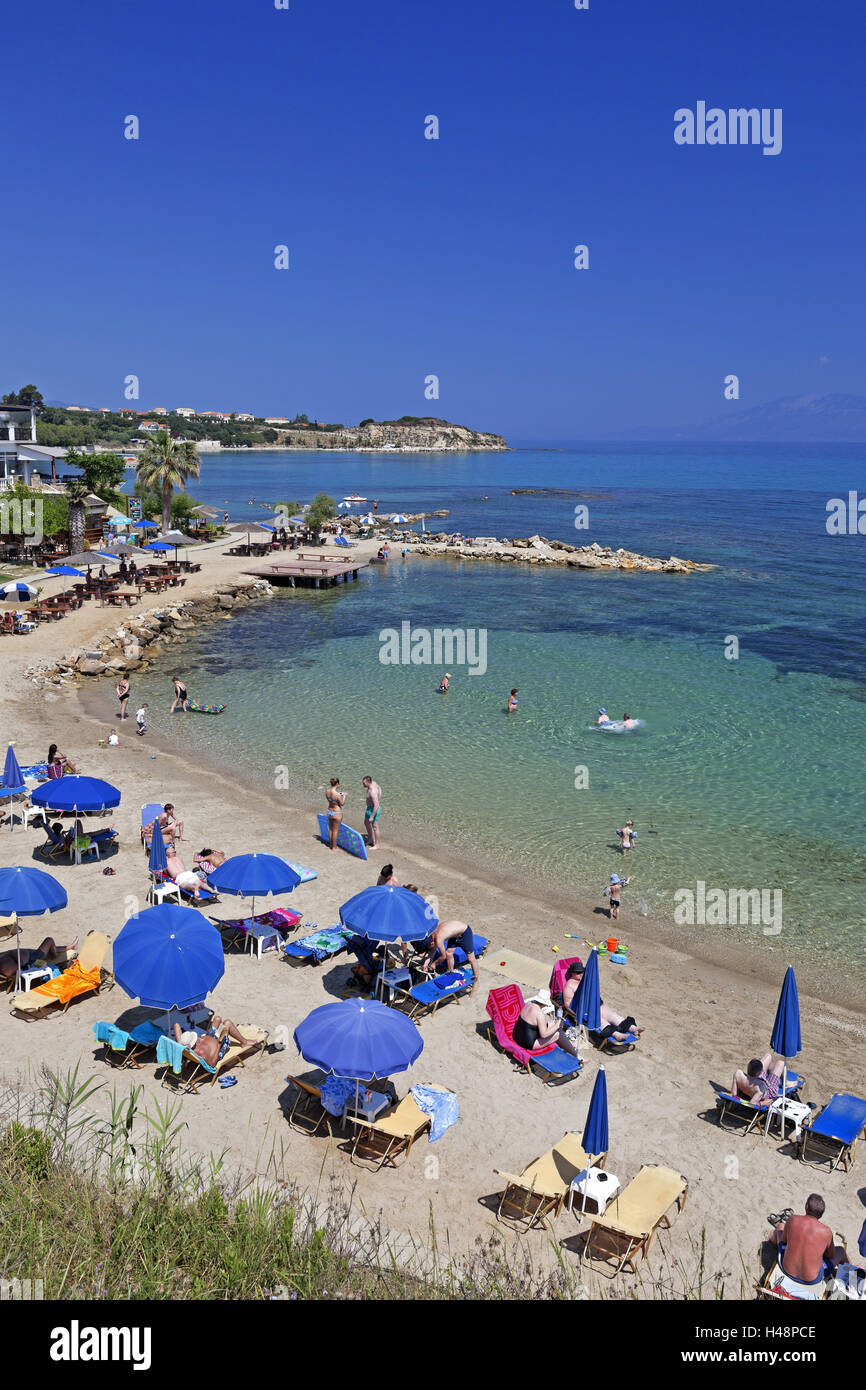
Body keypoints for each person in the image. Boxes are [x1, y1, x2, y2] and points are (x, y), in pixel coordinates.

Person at [768, 1196, 844, 1298]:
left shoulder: (792, 1219)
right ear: (821, 1214)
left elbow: (784, 1241)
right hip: (811, 1280)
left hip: (786, 1269)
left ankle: (771, 1238)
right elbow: (831, 1255)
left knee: (781, 1227)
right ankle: (855, 1274)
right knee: (841, 1251)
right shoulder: (826, 1232)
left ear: (806, 1206)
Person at [559, 962, 644, 1042]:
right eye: (578, 973)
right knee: (600, 1020)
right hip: (585, 1009)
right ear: (572, 973)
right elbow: (568, 1004)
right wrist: (579, 1013)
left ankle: (633, 1028)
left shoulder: (585, 980)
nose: (581, 974)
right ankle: (616, 1035)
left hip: (597, 1004)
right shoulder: (569, 985)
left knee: (613, 1015)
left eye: (582, 971)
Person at [173, 1014, 253, 1067]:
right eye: (195, 1038)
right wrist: (219, 1044)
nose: (197, 1038)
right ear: (191, 1044)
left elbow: (176, 1025)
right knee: (227, 1023)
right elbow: (212, 1064)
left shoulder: (182, 1044)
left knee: (217, 1019)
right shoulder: (201, 1053)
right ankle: (244, 1042)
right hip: (218, 1045)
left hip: (210, 1037)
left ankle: (238, 1038)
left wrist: (180, 1041)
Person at [424, 919, 479, 993]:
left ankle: (476, 981)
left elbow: (443, 957)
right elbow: (432, 951)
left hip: (464, 932)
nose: (432, 948)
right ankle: (451, 973)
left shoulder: (438, 939)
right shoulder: (431, 935)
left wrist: (434, 964)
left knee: (471, 958)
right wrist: (426, 963)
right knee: (449, 953)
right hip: (455, 934)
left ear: (432, 943)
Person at [0, 934, 79, 982]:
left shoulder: (3, 964)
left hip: (30, 955)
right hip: (33, 960)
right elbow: (22, 964)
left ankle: (69, 947)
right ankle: (55, 955)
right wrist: (14, 955)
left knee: (48, 948)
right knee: (49, 940)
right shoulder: (5, 968)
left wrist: (12, 954)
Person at [325, 777, 346, 851]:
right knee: (335, 830)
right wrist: (344, 796)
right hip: (337, 812)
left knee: (330, 829)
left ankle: (331, 845)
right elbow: (342, 803)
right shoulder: (337, 795)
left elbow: (331, 799)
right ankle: (334, 847)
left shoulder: (327, 791)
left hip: (329, 811)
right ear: (337, 784)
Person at [362, 775, 382, 848]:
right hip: (369, 808)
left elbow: (376, 805)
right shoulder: (374, 783)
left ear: (368, 782)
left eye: (364, 783)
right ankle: (370, 839)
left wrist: (372, 816)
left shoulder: (372, 791)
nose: (363, 784)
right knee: (366, 823)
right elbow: (380, 789)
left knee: (375, 827)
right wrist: (379, 795)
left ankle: (377, 845)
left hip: (373, 809)